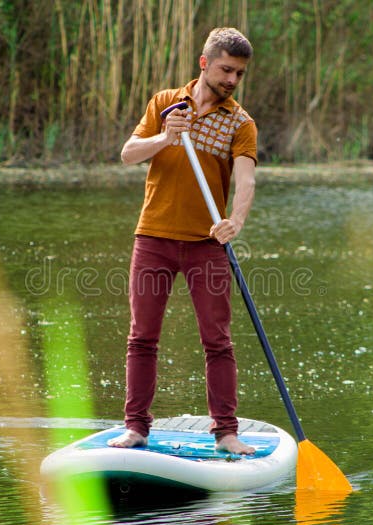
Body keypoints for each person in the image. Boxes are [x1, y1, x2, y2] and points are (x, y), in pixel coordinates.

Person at [108, 28, 257, 455]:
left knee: (217, 339)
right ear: (204, 62)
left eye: (240, 73)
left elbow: (245, 180)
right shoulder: (164, 103)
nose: (232, 79)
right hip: (153, 236)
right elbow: (129, 153)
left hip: (206, 243)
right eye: (226, 69)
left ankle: (226, 432)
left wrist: (236, 221)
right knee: (142, 337)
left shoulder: (241, 123)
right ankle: (136, 427)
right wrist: (166, 137)